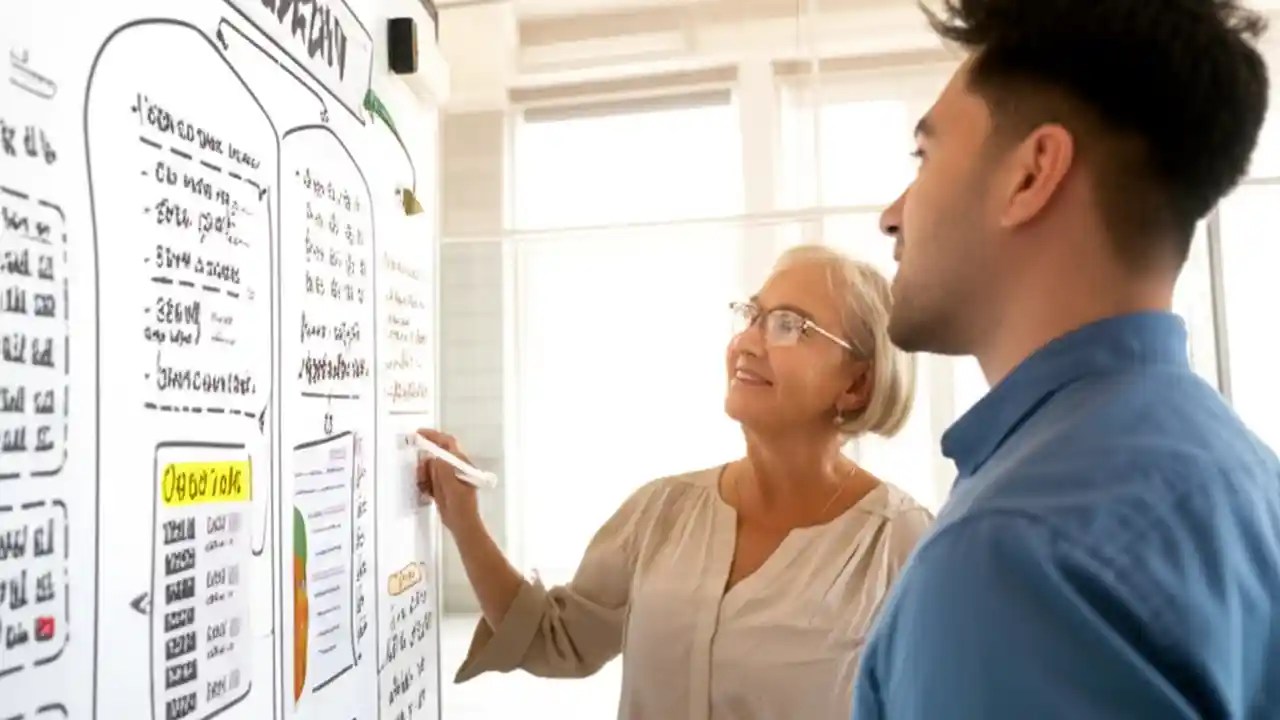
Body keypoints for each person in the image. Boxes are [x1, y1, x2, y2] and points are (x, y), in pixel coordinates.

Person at [853, 1, 1280, 718]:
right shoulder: (1247, 480)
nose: (892, 215)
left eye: (923, 158)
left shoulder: (1007, 557)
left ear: (1031, 175)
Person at [418, 244, 932, 720]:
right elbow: (554, 640)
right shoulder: (663, 510)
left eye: (789, 325)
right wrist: (462, 519)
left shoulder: (899, 543)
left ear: (857, 383)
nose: (747, 342)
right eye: (752, 316)